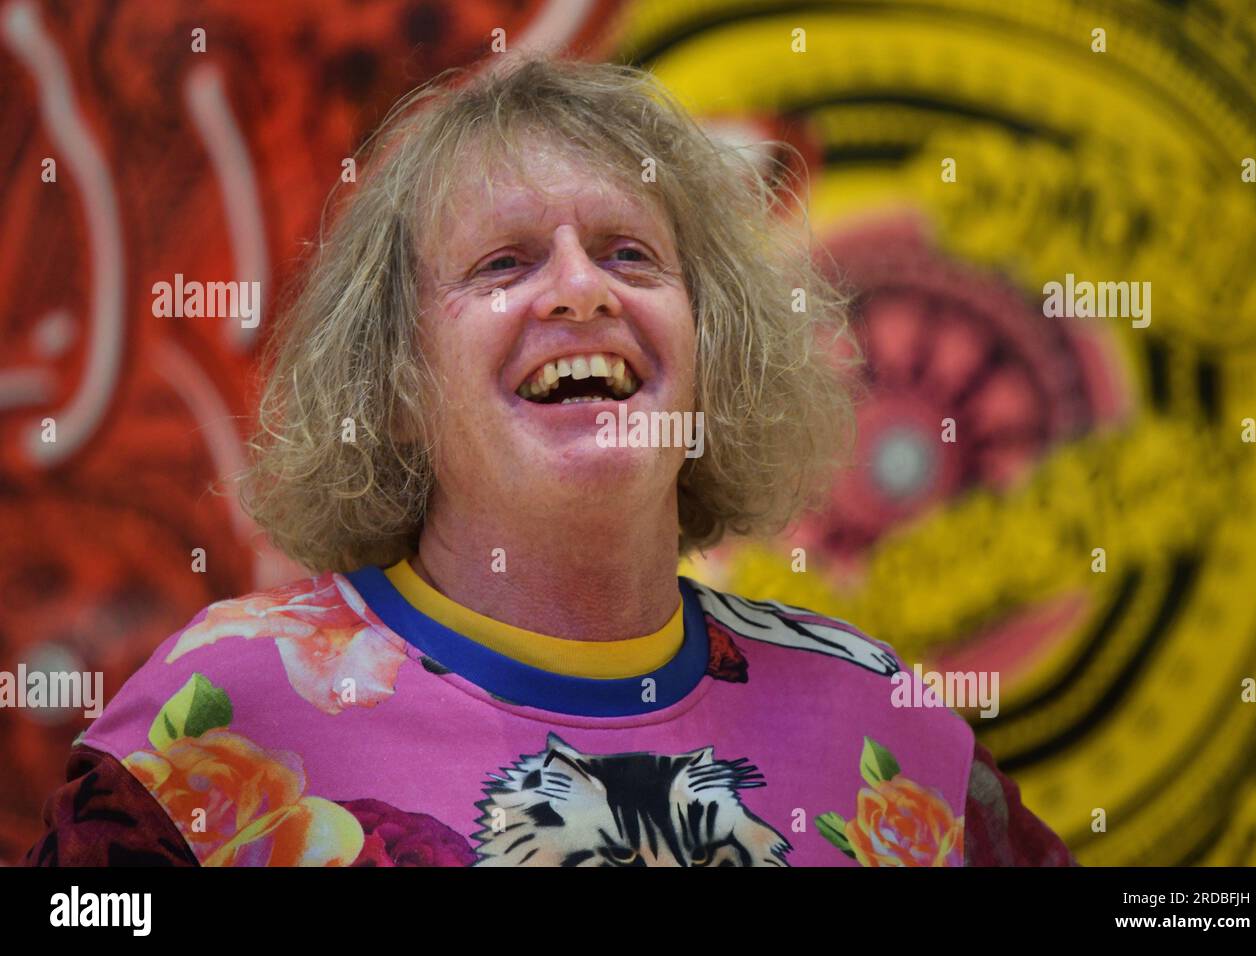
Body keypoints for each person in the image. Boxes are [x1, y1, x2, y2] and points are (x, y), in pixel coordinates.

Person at [24, 53, 1073, 867]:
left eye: (629, 254)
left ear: (716, 360)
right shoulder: (219, 716)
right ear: (395, 385)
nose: (580, 291)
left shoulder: (875, 720)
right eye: (502, 262)